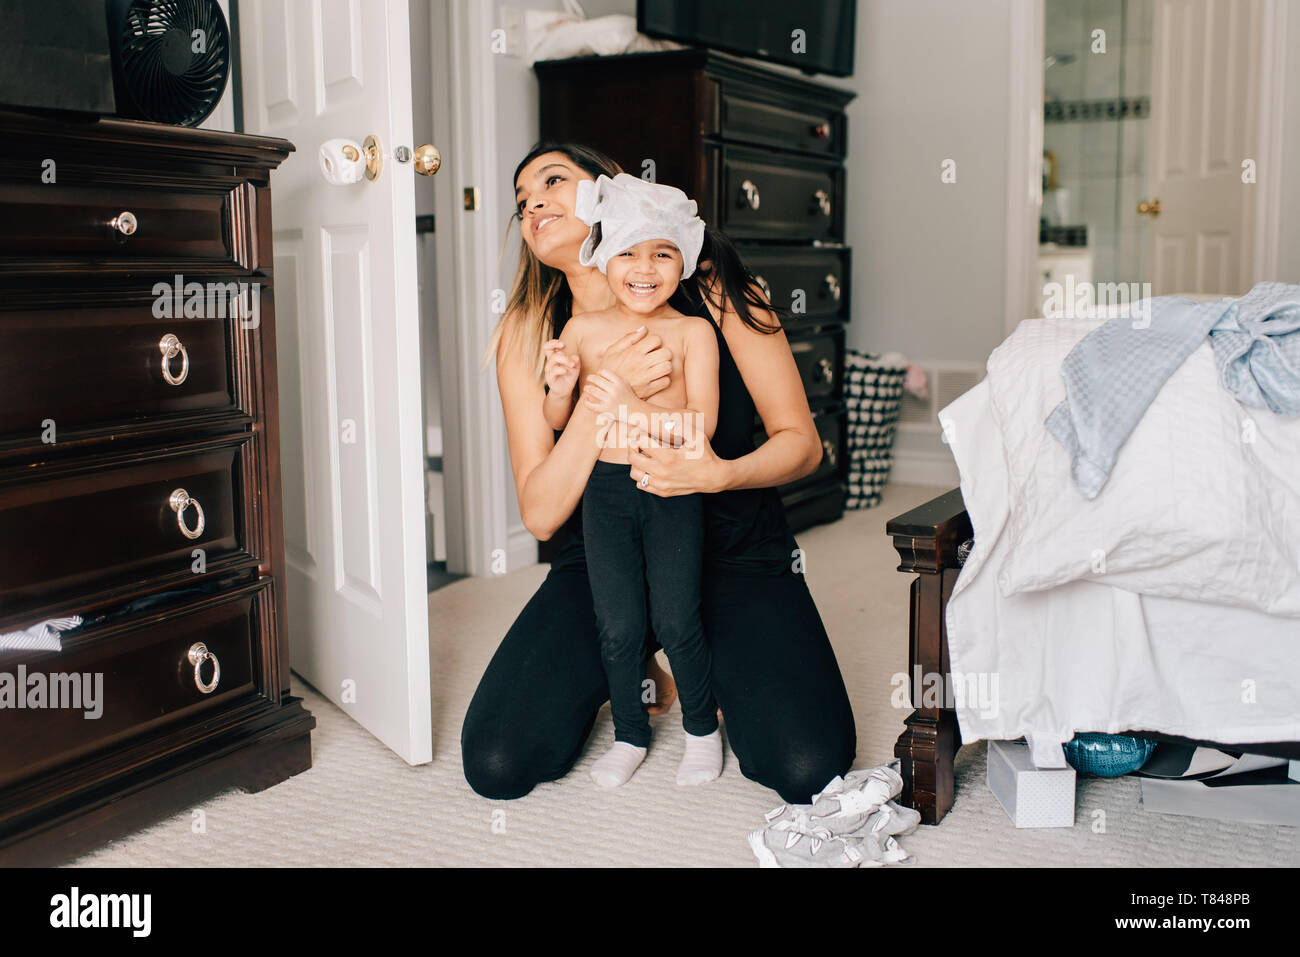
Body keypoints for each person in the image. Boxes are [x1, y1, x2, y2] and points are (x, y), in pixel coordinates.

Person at [461, 142, 857, 805]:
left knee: (808, 765)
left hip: (733, 548)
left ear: (613, 193)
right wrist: (600, 397)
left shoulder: (714, 287)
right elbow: (540, 512)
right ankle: (639, 653)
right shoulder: (530, 331)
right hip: (605, 551)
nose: (533, 202)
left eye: (553, 180)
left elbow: (802, 444)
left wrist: (715, 474)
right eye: (522, 197)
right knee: (497, 760)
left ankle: (696, 653)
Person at [542, 172, 720, 787]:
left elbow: (700, 431)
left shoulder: (694, 333)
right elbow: (558, 421)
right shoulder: (584, 330)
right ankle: (629, 734)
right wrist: (562, 389)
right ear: (603, 257)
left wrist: (628, 406)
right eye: (627, 251)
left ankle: (702, 729)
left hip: (671, 487)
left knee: (676, 619)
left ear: (685, 261)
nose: (644, 268)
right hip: (606, 493)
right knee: (617, 624)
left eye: (662, 252)